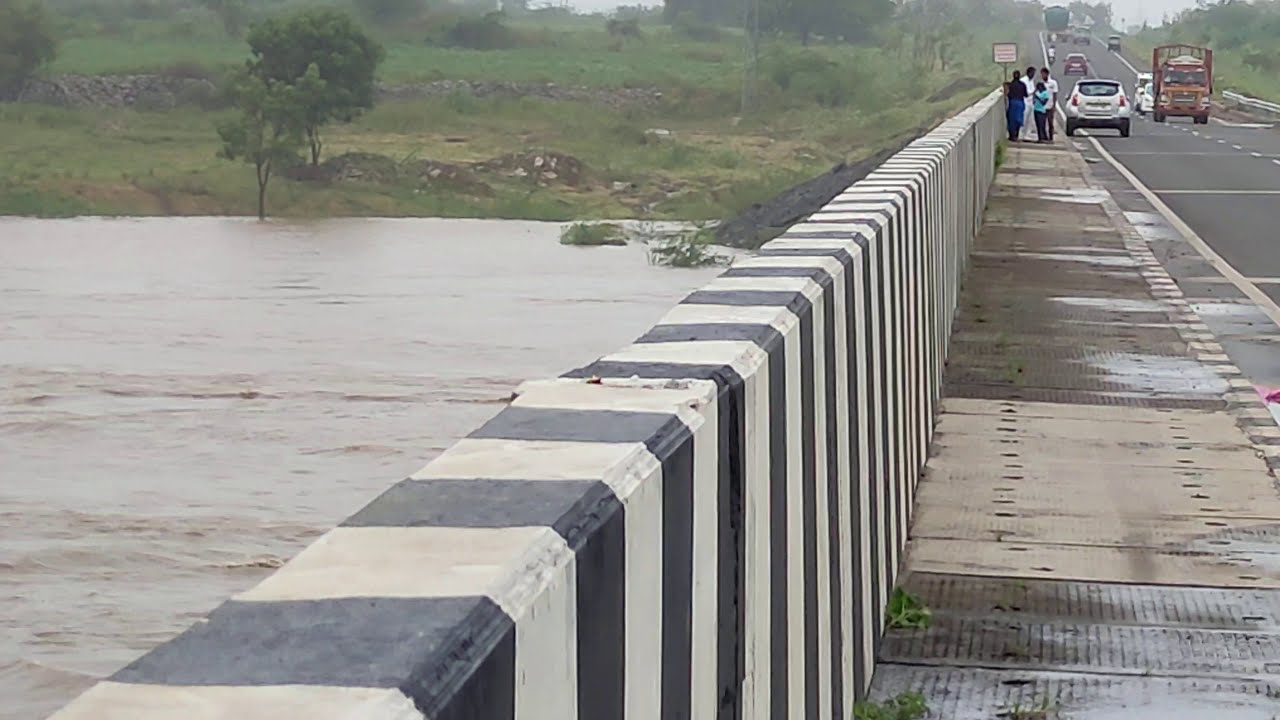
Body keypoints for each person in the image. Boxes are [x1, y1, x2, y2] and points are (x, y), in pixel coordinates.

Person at [1005, 69, 1028, 141]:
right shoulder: (1022, 84)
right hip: (1020, 102)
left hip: (1012, 103)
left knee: (1011, 120)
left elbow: (1007, 94)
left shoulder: (1010, 85)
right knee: (1018, 119)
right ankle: (1016, 134)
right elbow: (1026, 94)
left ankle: (1012, 135)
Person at [1040, 67, 1059, 141]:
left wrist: (1054, 105)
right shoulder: (1041, 83)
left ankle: (1051, 137)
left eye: (1044, 74)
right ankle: (1044, 137)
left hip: (1050, 106)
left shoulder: (1053, 83)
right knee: (1043, 123)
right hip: (1042, 106)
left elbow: (1055, 94)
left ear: (1047, 74)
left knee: (1050, 122)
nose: (1043, 76)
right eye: (1042, 74)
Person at [1021, 66, 1037, 140]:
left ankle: (1026, 134)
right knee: (1024, 118)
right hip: (1025, 101)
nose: (1033, 75)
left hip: (1031, 102)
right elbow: (1026, 92)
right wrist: (1033, 92)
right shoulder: (1024, 81)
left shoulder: (1031, 80)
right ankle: (1021, 133)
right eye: (1032, 73)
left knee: (1030, 119)